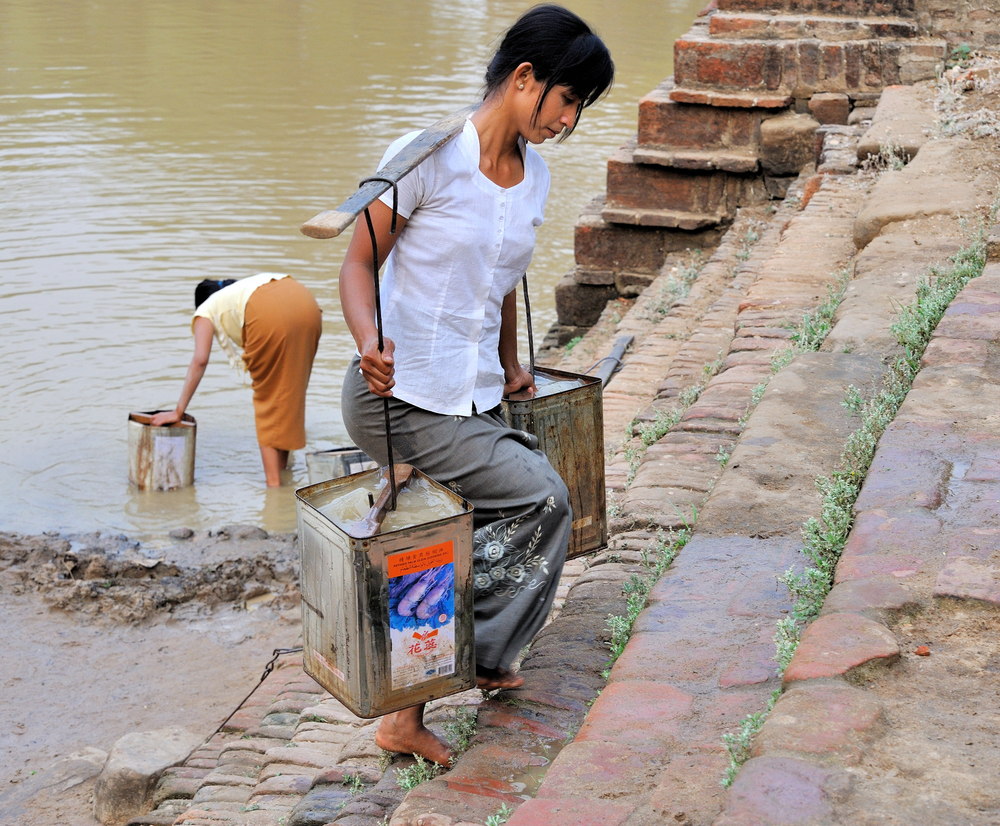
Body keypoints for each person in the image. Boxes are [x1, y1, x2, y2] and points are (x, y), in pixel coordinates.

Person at [338, 4, 614, 766]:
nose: (568, 121)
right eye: (568, 101)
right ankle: (478, 657)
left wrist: (512, 363)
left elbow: (496, 286)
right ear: (526, 79)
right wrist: (369, 342)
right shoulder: (425, 158)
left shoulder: (535, 177)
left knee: (442, 535)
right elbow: (357, 263)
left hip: (474, 394)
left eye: (578, 110)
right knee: (541, 497)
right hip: (399, 397)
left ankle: (425, 697)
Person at [152, 273, 323, 486]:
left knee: (268, 400)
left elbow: (200, 359)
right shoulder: (241, 291)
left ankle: (274, 489)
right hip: (307, 304)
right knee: (288, 394)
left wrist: (178, 410)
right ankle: (284, 472)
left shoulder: (206, 309)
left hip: (270, 314)